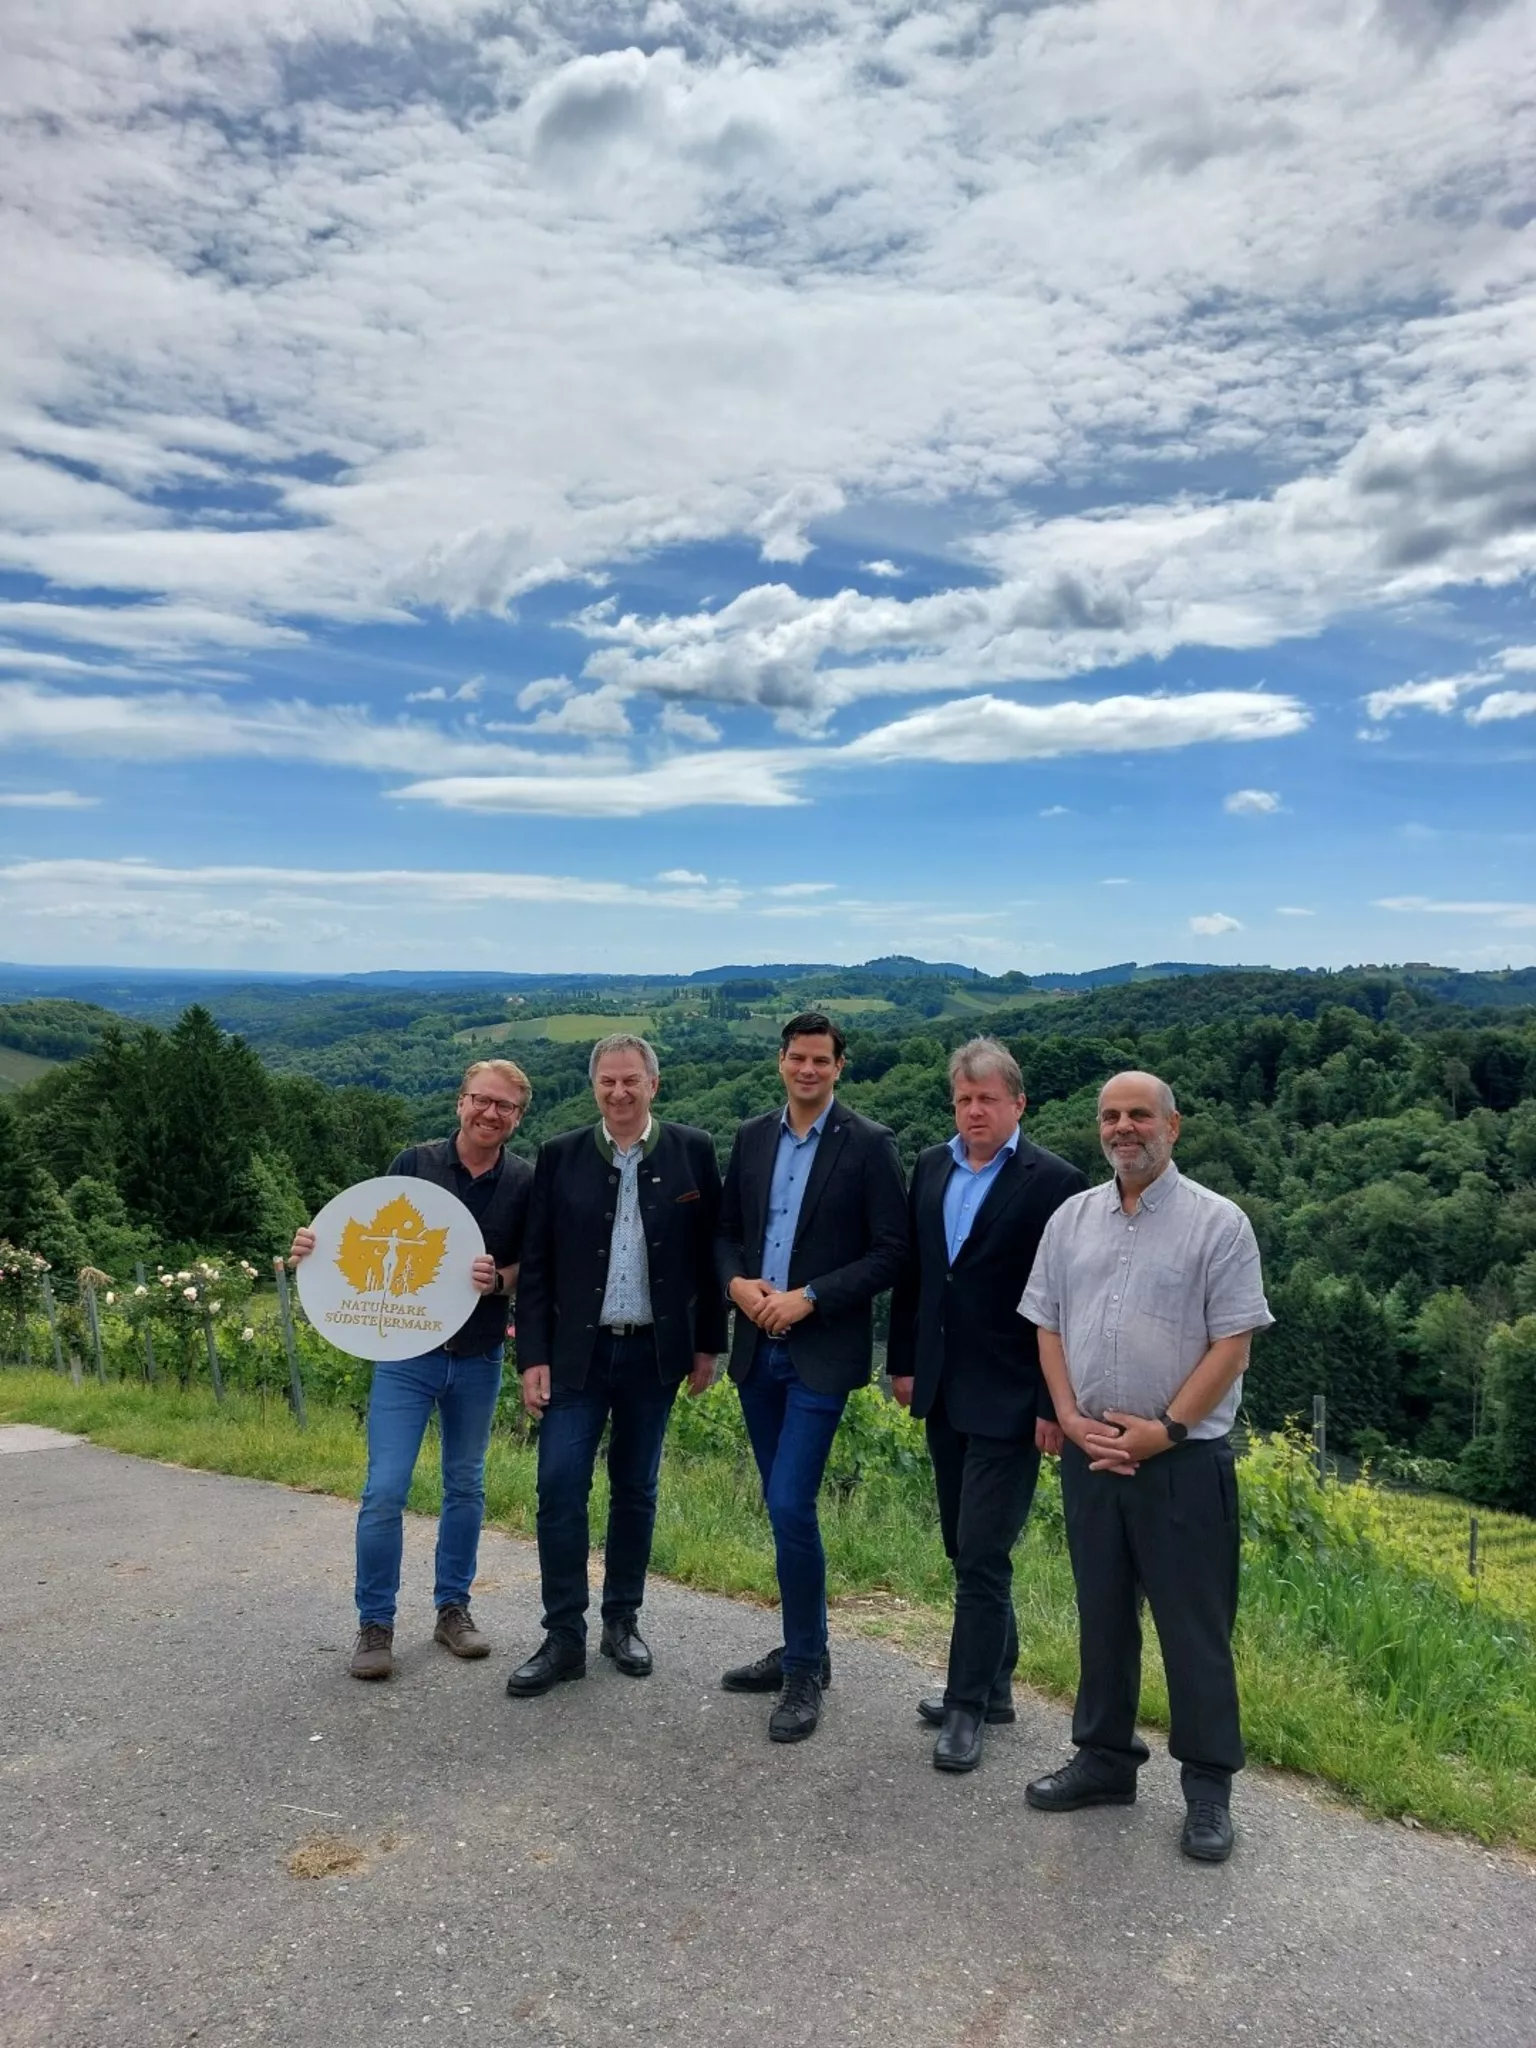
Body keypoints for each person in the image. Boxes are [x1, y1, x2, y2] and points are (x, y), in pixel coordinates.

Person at [1018, 1070, 1273, 1862]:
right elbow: (1048, 1325)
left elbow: (1233, 1343)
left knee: (1193, 1628)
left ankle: (1207, 1788)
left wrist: (1163, 1429)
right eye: (1110, 1116)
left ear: (1173, 1126)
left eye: (1139, 1116)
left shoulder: (1218, 1224)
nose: (1123, 1128)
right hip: (1090, 1452)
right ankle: (1104, 1760)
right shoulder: (1071, 1220)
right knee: (1100, 1614)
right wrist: (1066, 1415)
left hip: (1181, 1463)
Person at [290, 1058, 534, 1682]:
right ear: (460, 1102)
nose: (490, 1113)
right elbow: (364, 1234)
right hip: (405, 1358)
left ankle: (453, 1609)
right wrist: (316, 1252)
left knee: (465, 1487)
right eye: (481, 1100)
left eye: (504, 1106)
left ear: (517, 1117)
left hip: (478, 1358)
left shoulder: (527, 1182)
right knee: (384, 1493)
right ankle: (375, 1623)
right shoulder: (413, 1164)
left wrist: (501, 1279)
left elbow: (536, 1267)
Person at [887, 1038, 1087, 1773]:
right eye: (964, 1100)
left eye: (988, 1099)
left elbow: (1064, 1303)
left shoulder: (1055, 1181)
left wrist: (1051, 1402)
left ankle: (966, 1706)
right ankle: (996, 1681)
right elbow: (917, 1275)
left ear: (1018, 1104)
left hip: (1011, 1396)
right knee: (959, 1544)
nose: (975, 1111)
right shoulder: (933, 1167)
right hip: (941, 1386)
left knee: (982, 1554)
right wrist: (903, 1363)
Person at [505, 1034, 726, 1697]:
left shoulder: (693, 1150)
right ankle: (563, 1634)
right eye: (608, 1082)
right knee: (559, 1489)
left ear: (654, 1085)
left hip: (654, 1352)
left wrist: (708, 1344)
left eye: (632, 1081)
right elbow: (537, 1265)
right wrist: (532, 1356)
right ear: (594, 1087)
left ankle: (621, 1619)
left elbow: (714, 1256)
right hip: (578, 1352)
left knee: (636, 1489)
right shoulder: (560, 1155)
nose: (620, 1092)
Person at [715, 1011, 909, 1742]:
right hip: (755, 1350)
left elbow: (893, 1251)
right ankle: (808, 1649)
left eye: (821, 1060)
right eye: (798, 1057)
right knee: (778, 1502)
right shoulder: (753, 1136)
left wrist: (811, 1296)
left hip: (819, 1353)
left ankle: (803, 1670)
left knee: (792, 1502)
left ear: (839, 1067)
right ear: (780, 1061)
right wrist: (737, 1284)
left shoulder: (869, 1145)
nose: (808, 1069)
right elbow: (726, 1231)